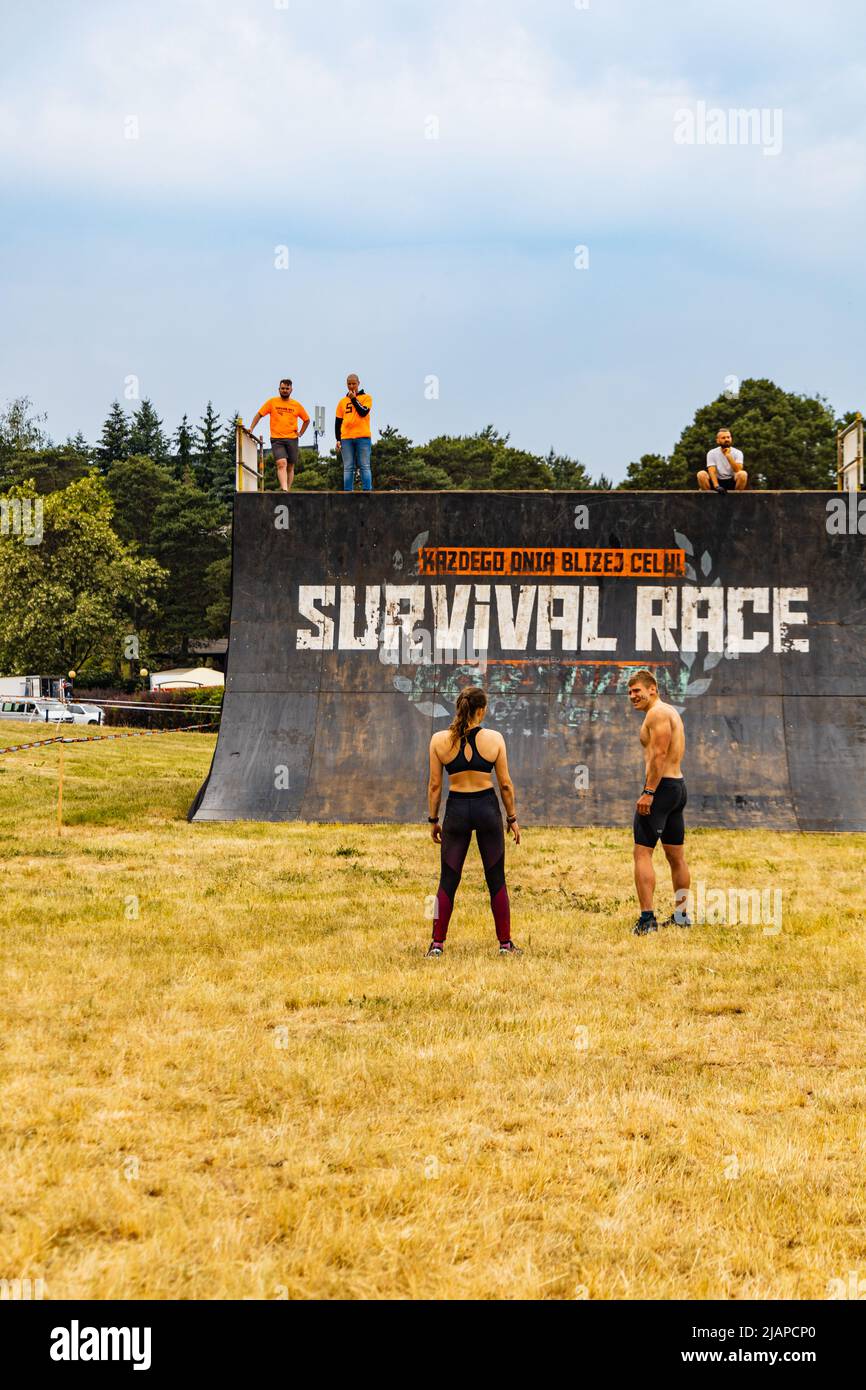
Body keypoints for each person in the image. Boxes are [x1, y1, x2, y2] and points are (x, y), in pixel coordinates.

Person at [425, 686, 522, 957]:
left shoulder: (438, 741)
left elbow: (434, 786)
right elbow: (505, 784)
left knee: (447, 879)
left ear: (459, 708)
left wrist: (433, 819)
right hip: (486, 808)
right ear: (482, 710)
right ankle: (505, 944)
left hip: (457, 809)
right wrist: (512, 817)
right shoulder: (494, 739)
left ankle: (436, 944)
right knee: (496, 878)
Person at [627, 669, 691, 936]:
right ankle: (682, 916)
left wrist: (649, 792)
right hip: (676, 787)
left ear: (653, 689)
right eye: (629, 693)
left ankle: (647, 920)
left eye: (637, 691)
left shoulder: (658, 713)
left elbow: (660, 754)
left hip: (661, 789)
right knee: (675, 856)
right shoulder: (668, 712)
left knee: (642, 852)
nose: (632, 696)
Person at [248, 379, 310, 492]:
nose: (285, 390)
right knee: (281, 463)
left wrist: (301, 432)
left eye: (287, 388)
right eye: (282, 388)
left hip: (292, 438)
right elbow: (259, 414)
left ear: (291, 390)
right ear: (279, 389)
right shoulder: (272, 402)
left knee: (290, 466)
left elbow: (306, 420)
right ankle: (284, 489)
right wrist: (251, 428)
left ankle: (288, 490)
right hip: (277, 439)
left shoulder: (296, 405)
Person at [335, 374, 373, 492]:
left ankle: (367, 492)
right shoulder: (342, 402)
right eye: (349, 384)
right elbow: (338, 422)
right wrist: (338, 439)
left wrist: (353, 399)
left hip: (363, 437)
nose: (351, 386)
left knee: (364, 466)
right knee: (348, 467)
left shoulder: (367, 398)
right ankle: (347, 492)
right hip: (346, 438)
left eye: (353, 384)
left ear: (358, 383)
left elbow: (363, 412)